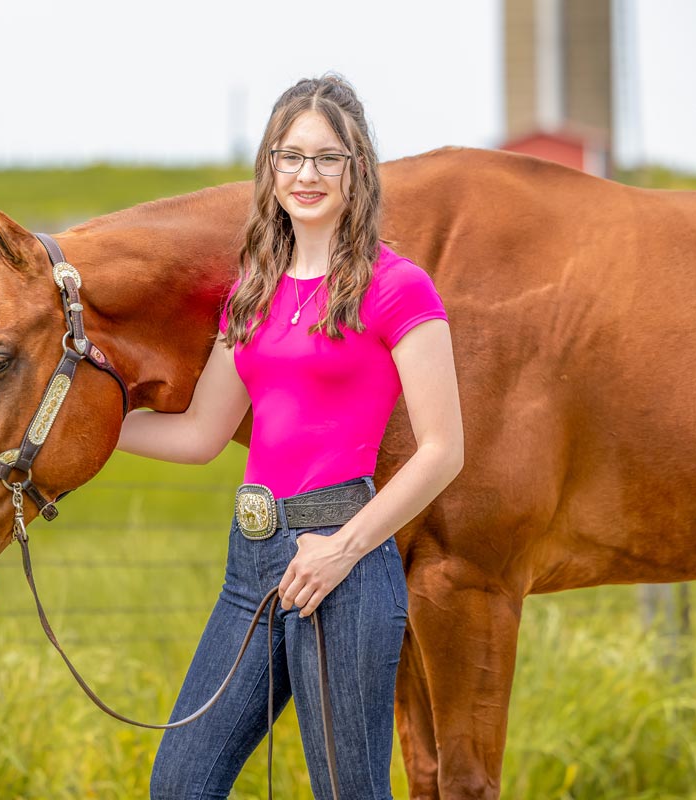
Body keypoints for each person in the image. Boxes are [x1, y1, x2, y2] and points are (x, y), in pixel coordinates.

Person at [117, 74, 464, 800]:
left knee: (347, 791)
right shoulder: (254, 288)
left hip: (343, 563)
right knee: (179, 785)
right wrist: (93, 428)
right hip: (251, 566)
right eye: (291, 157)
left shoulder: (397, 287)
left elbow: (442, 449)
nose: (307, 175)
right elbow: (200, 435)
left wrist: (341, 550)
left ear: (356, 169)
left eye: (327, 158)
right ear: (269, 168)